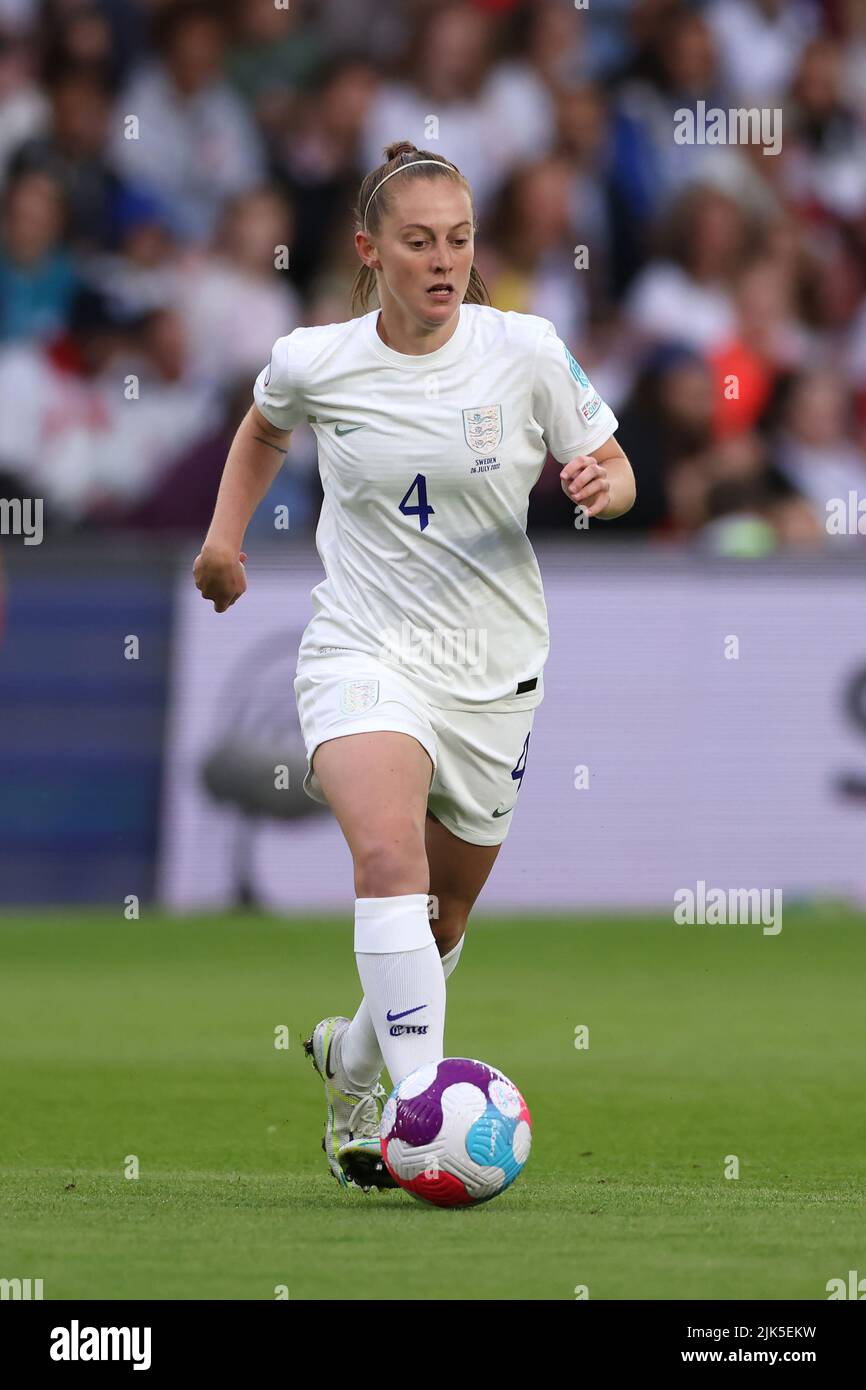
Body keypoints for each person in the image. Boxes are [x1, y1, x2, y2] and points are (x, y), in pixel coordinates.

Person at [193, 141, 636, 1192]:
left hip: (491, 670)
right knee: (386, 859)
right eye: (418, 242)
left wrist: (596, 484)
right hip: (364, 649)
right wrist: (224, 541)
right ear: (369, 250)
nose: (443, 262)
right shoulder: (317, 358)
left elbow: (617, 469)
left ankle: (353, 1062)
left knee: (438, 922)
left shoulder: (523, 350)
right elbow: (263, 423)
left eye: (459, 240)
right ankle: (417, 1108)